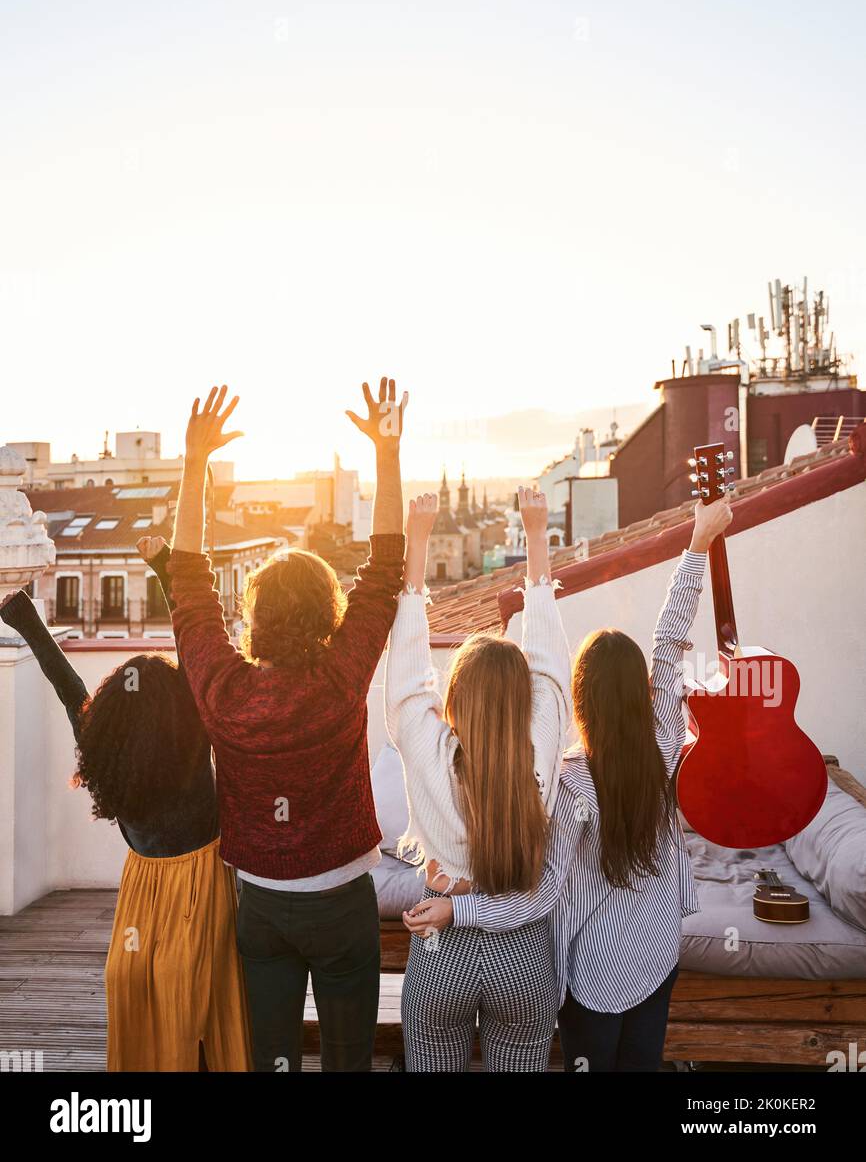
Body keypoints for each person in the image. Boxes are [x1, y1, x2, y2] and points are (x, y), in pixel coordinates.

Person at [404, 495, 733, 1072]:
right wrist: (697, 545)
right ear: (643, 695)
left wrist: (459, 907)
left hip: (592, 981)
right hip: (657, 960)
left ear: (579, 703)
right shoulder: (662, 750)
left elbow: (540, 895)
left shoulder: (573, 787)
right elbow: (669, 643)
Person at [167, 379, 406, 1072]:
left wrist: (193, 462)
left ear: (256, 617)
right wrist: (387, 453)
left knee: (272, 1060)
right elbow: (385, 569)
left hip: (262, 907)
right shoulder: (340, 680)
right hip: (341, 904)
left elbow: (186, 582)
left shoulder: (223, 689)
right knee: (347, 1060)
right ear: (328, 615)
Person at [0, 541, 251, 1072]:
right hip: (202, 886)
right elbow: (194, 648)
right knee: (198, 990)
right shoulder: (190, 734)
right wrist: (163, 569)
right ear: (179, 708)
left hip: (143, 887)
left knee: (140, 985)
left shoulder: (101, 740)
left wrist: (23, 617)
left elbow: (67, 685)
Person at [385, 486, 571, 1072]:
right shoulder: (541, 744)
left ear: (455, 695)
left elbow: (410, 671)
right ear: (525, 698)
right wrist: (536, 534)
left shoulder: (427, 745)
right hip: (523, 959)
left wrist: (416, 544)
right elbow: (547, 660)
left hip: (442, 953)